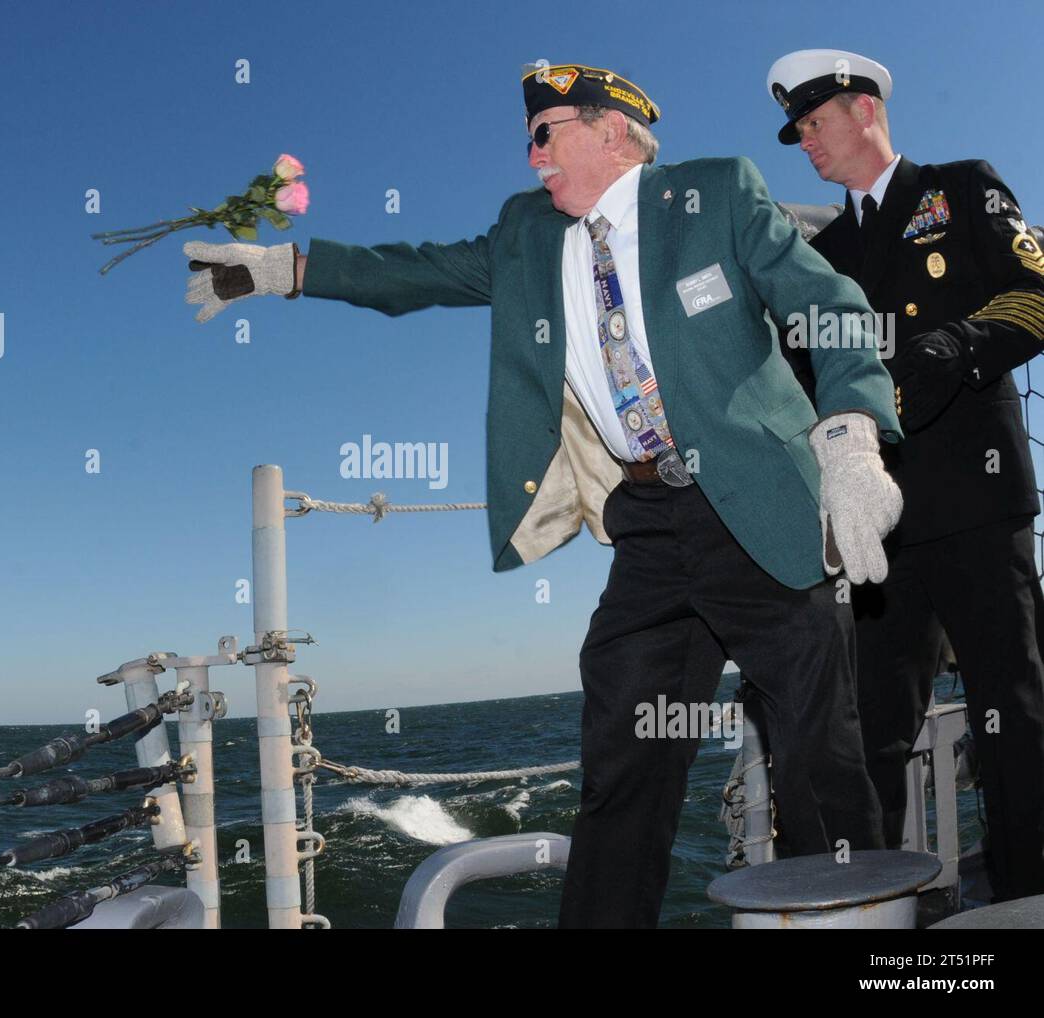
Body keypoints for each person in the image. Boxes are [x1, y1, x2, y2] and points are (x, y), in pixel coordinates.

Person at [185, 61, 902, 928]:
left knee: (816, 754)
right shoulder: (528, 233)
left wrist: (854, 436)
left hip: (763, 505)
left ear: (611, 132)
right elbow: (415, 273)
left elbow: (833, 305)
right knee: (625, 762)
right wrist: (279, 269)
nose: (531, 159)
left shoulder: (715, 194)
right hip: (649, 524)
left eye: (544, 134)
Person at [767, 48, 1044, 901]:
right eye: (798, 132)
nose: (805, 143)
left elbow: (1035, 291)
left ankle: (1029, 898)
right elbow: (799, 373)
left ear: (861, 110)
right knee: (873, 731)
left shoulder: (960, 189)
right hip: (872, 518)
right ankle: (873, 918)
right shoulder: (821, 251)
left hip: (974, 496)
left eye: (814, 123)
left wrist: (954, 345)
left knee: (1015, 712)